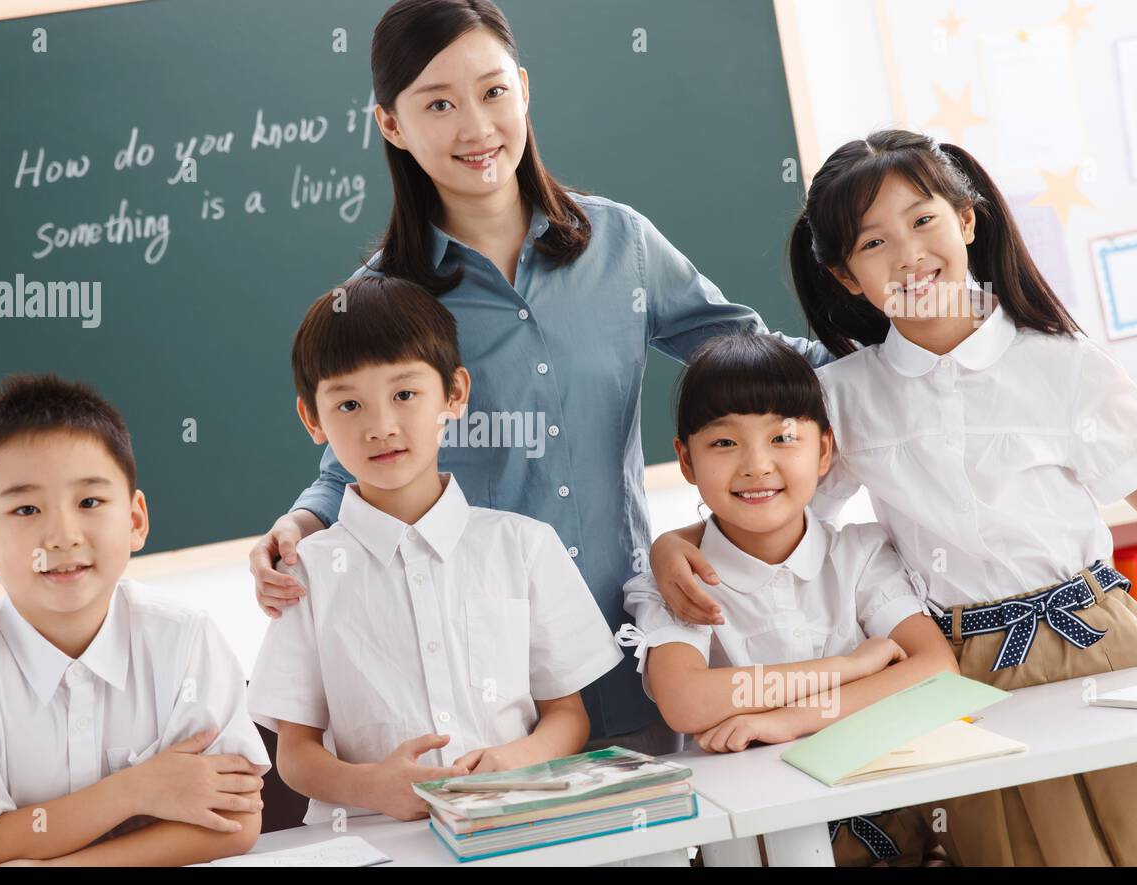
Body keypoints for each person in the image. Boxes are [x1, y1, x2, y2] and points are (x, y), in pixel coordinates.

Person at [249, 0, 838, 760]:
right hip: (489, 675)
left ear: (523, 89)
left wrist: (905, 352)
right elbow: (353, 462)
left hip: (631, 635)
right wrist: (298, 527)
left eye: (493, 91)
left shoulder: (619, 243)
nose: (476, 126)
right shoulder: (384, 301)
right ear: (391, 124)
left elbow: (760, 360)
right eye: (438, 103)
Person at [650, 130, 1137, 865]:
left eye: (922, 220)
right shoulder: (842, 398)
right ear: (844, 275)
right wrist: (671, 546)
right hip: (949, 670)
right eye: (872, 243)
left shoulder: (1064, 363)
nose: (908, 254)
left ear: (967, 221)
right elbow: (772, 513)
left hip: (1096, 641)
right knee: (1020, 872)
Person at [247, 275, 623, 824]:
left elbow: (568, 715)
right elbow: (295, 755)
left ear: (454, 394)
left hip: (514, 826)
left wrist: (512, 762)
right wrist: (371, 786)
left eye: (404, 394)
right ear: (312, 419)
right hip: (374, 842)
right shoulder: (309, 570)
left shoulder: (522, 546)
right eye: (348, 405)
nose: (381, 426)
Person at [616, 332, 956, 866]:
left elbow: (937, 670)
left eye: (783, 438)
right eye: (724, 443)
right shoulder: (681, 580)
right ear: (685, 460)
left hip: (892, 831)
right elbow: (684, 701)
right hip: (753, 848)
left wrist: (790, 719)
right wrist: (847, 666)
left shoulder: (860, 554)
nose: (756, 465)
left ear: (823, 450)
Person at [0, 374, 269, 866]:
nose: (62, 535)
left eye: (89, 502)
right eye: (26, 508)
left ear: (135, 520)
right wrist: (135, 791)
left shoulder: (184, 639)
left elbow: (234, 821)